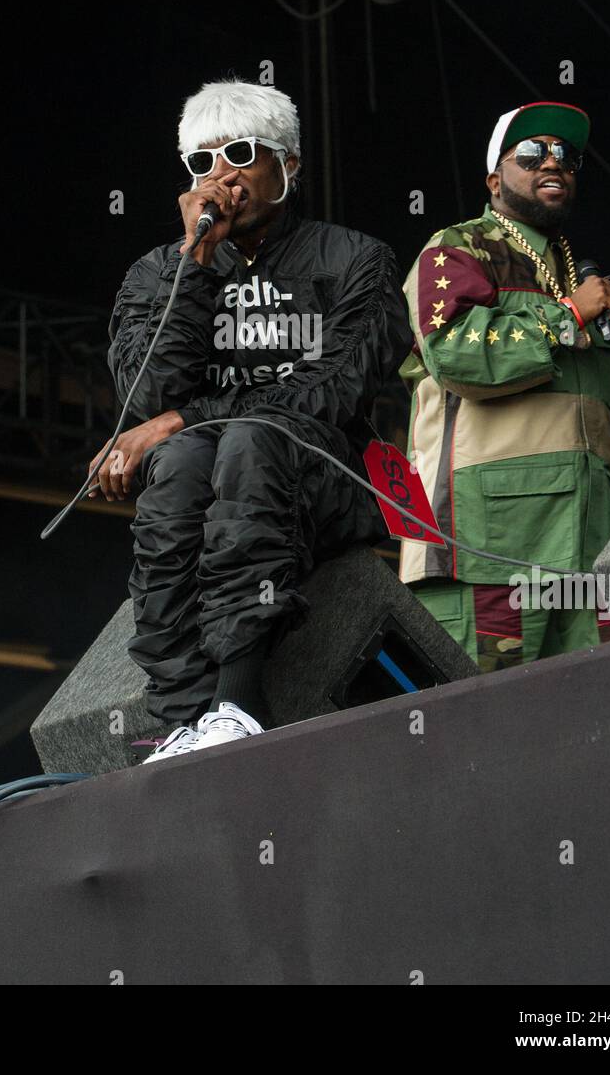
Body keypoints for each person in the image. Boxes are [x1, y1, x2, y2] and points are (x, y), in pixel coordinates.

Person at [93, 79, 412, 760]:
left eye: (241, 152)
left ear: (287, 165)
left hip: (319, 482)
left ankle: (240, 701)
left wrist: (188, 416)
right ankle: (184, 716)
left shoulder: (356, 259)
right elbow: (144, 403)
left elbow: (334, 391)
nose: (222, 176)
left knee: (248, 438)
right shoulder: (158, 273)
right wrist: (197, 268)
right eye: (203, 163)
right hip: (209, 477)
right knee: (176, 464)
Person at [398, 101, 610, 672]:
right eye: (531, 152)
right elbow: (455, 353)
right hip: (487, 547)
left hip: (586, 543)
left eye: (566, 155)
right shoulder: (459, 247)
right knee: (483, 733)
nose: (553, 162)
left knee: (599, 719)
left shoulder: (578, 272)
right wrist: (565, 319)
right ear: (494, 179)